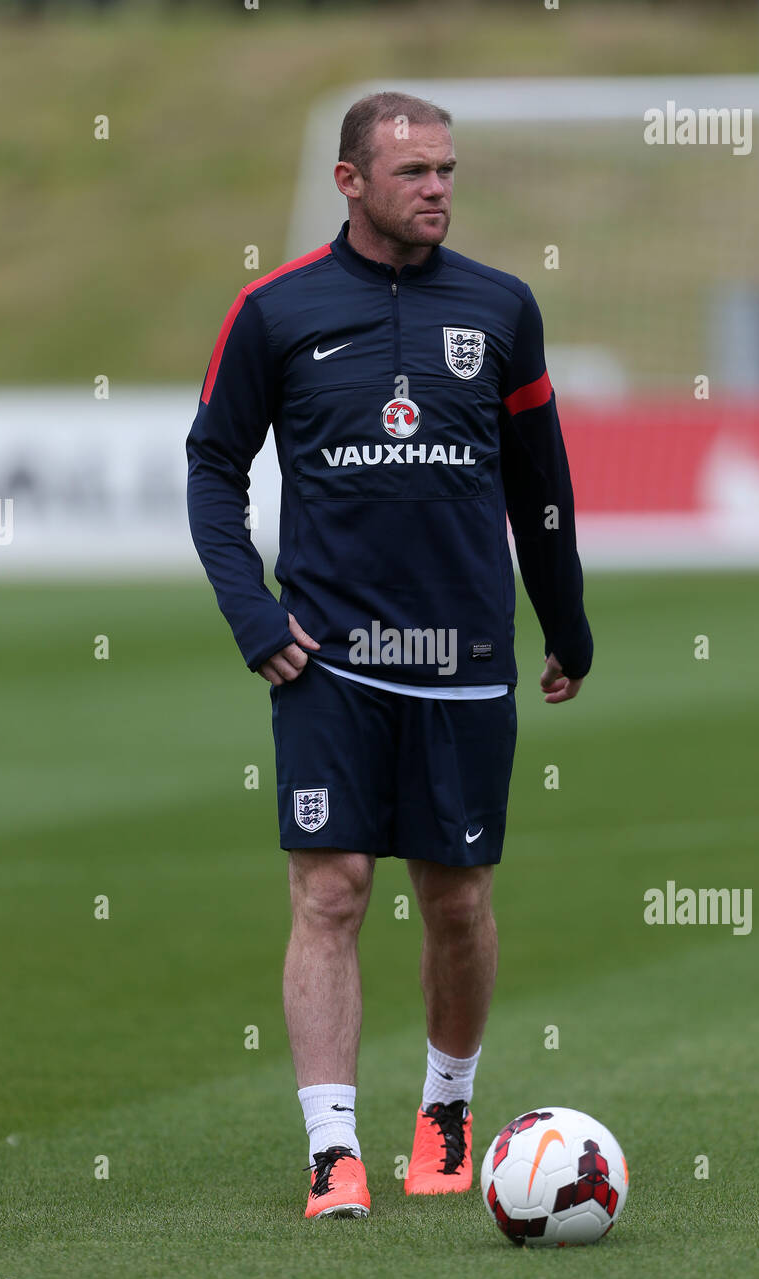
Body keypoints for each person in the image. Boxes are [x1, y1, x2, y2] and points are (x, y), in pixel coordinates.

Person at [186, 91, 592, 1219]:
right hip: (327, 657)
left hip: (464, 652)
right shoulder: (273, 310)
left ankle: (447, 1109)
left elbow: (538, 483)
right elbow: (213, 468)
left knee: (456, 903)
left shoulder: (502, 307)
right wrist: (254, 617)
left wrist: (563, 621)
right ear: (350, 182)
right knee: (331, 891)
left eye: (447, 171)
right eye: (414, 172)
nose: (437, 191)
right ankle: (332, 1152)